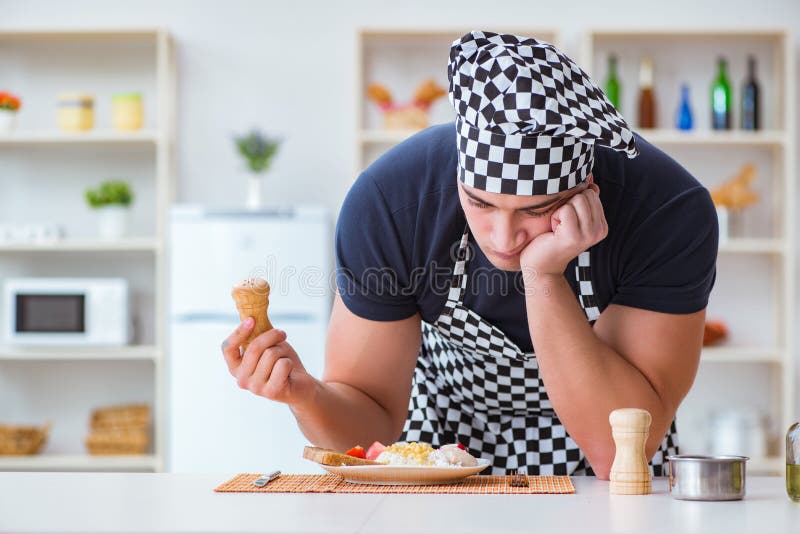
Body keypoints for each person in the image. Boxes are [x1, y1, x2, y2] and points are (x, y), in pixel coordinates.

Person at [220, 31, 717, 478]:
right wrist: (304, 394)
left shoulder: (666, 213)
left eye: (536, 210)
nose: (502, 237)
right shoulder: (391, 203)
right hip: (439, 453)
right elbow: (368, 422)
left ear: (587, 186)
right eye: (479, 203)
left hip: (603, 476)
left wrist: (543, 277)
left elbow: (618, 452)